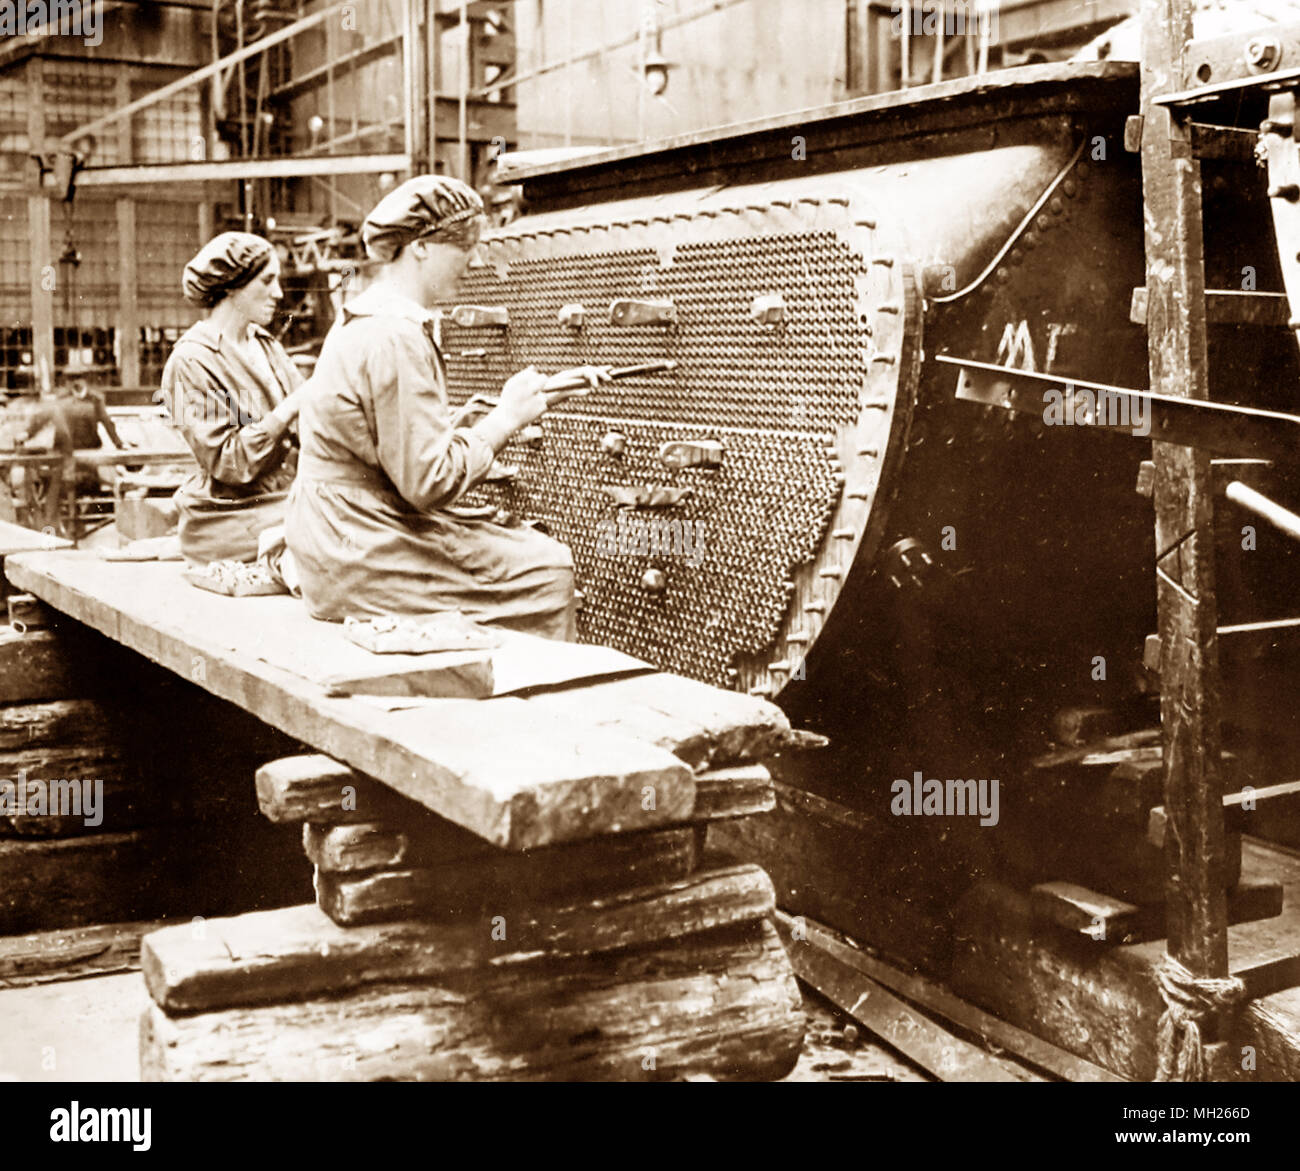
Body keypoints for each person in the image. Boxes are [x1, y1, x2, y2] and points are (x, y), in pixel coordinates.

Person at [286, 175, 592, 639]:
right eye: (465, 245)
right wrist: (505, 418)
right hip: (358, 548)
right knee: (548, 569)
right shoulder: (396, 336)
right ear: (422, 247)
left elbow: (380, 438)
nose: (474, 259)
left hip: (331, 533)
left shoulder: (366, 317)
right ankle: (514, 700)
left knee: (507, 538)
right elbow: (428, 482)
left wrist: (476, 418)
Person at [161, 231, 306, 565]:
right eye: (267, 280)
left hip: (279, 499)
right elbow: (230, 463)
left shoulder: (265, 343)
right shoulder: (188, 362)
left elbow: (310, 415)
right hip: (227, 516)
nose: (278, 293)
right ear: (231, 285)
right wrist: (287, 411)